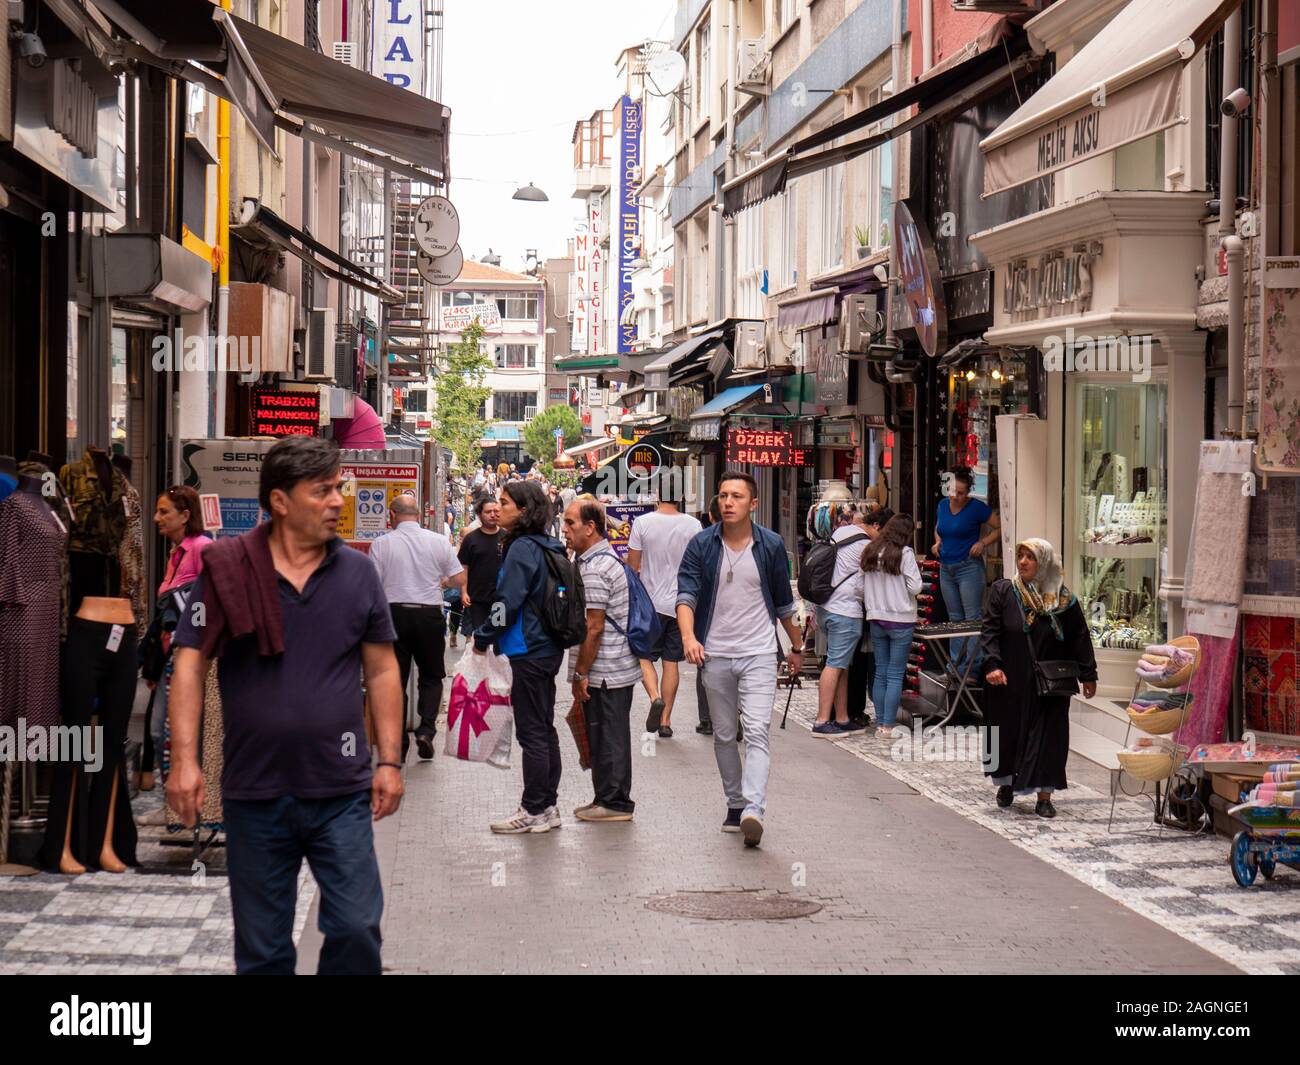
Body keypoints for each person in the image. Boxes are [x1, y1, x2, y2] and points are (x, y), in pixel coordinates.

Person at [168, 436, 404, 974]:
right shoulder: (230, 569)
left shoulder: (358, 573)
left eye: (338, 488)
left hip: (340, 790)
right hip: (255, 792)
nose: (338, 502)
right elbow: (188, 662)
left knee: (356, 927)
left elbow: (384, 668)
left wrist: (388, 760)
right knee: (264, 950)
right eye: (323, 491)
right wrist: (185, 761)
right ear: (280, 500)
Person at [677, 472, 804, 849]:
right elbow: (685, 595)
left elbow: (783, 603)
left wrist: (796, 648)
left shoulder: (770, 545)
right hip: (714, 654)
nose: (727, 502)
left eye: (736, 496)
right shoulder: (701, 545)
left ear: (753, 503)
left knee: (758, 731)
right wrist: (688, 637)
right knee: (724, 735)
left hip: (759, 653)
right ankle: (734, 803)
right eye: (723, 495)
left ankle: (754, 809)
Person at [473, 480, 568, 834]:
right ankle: (548, 806)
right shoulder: (548, 543)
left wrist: (483, 636)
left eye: (506, 503)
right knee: (544, 728)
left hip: (528, 648)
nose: (499, 508)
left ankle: (533, 809)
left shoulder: (522, 549)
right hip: (548, 647)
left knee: (532, 732)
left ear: (524, 510)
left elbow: (507, 602)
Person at [981, 538, 1097, 818]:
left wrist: (1088, 674)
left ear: (1044, 562)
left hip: (1050, 682)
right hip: (1008, 679)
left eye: (1030, 557)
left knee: (1049, 737)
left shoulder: (1064, 599)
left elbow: (1079, 637)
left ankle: (1045, 796)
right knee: (1004, 734)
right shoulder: (1003, 591)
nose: (1023, 562)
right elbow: (990, 630)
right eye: (1020, 556)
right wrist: (992, 664)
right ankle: (1005, 782)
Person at [367, 494, 465, 761]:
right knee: (432, 676)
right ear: (419, 516)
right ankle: (426, 730)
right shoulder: (438, 541)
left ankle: (398, 742)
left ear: (392, 515)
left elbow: (372, 586)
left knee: (394, 681)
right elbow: (459, 578)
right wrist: (441, 583)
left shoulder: (381, 544)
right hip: (429, 615)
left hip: (393, 615)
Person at [562, 499, 641, 822]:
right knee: (605, 731)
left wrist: (581, 673)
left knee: (609, 734)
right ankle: (605, 797)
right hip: (610, 667)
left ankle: (615, 802)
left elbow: (593, 627)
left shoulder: (596, 568)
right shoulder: (598, 561)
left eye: (570, 524)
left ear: (590, 528)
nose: (565, 530)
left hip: (606, 668)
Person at [138, 486, 212, 792]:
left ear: (185, 516)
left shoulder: (201, 548)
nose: (157, 518)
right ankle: (179, 805)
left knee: (169, 731)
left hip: (188, 657)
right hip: (170, 656)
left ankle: (185, 804)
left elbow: (210, 603)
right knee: (162, 731)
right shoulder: (177, 552)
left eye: (164, 511)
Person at [627, 492, 702, 738]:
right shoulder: (693, 525)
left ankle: (654, 697)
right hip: (682, 604)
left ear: (658, 495)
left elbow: (633, 566)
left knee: (643, 655)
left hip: (650, 604)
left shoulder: (643, 523)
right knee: (672, 662)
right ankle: (665, 720)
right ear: (681, 497)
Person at [931, 468, 1001, 677]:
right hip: (946, 567)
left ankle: (973, 668)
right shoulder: (943, 505)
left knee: (971, 617)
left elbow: (1000, 527)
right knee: (955, 618)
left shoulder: (976, 507)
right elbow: (939, 527)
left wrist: (983, 543)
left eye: (961, 493)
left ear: (968, 491)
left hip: (968, 566)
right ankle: (956, 666)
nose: (956, 496)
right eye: (953, 491)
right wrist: (937, 542)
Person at [811, 507, 872, 738]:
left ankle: (842, 717)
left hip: (827, 607)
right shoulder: (865, 544)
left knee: (841, 664)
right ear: (872, 526)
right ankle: (822, 720)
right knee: (835, 664)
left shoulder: (839, 535)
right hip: (845, 611)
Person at [862, 513, 923, 739]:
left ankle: (880, 721)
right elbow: (916, 587)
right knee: (896, 674)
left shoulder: (870, 551)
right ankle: (888, 726)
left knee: (881, 672)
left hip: (876, 617)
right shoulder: (904, 554)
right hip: (901, 620)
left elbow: (860, 586)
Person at [458, 496, 506, 639]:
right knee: (480, 636)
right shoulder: (471, 539)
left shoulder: (507, 537)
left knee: (497, 638)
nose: (493, 515)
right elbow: (464, 566)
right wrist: (463, 591)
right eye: (488, 512)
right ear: (480, 514)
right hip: (477, 599)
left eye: (496, 511)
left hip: (500, 600)